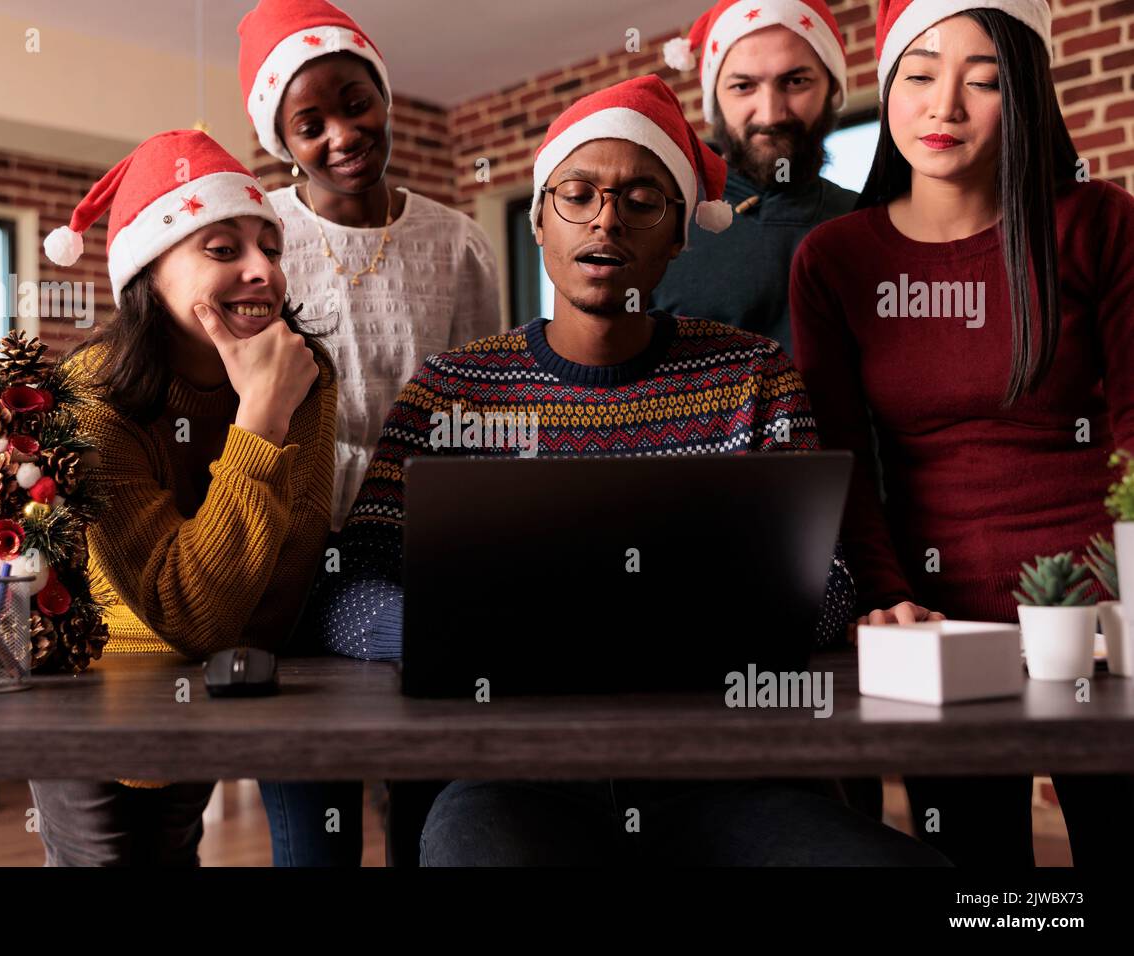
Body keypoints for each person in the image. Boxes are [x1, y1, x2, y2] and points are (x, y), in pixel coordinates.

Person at [312, 75, 948, 866]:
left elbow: (831, 590)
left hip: (731, 776)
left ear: (680, 236)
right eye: (577, 194)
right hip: (512, 779)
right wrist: (438, 634)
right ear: (541, 219)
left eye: (643, 200)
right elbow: (347, 582)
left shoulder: (752, 374)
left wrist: (653, 627)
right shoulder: (451, 389)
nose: (607, 219)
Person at [790, 0, 1134, 866]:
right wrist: (883, 594)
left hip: (1103, 616)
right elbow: (841, 454)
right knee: (978, 874)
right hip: (937, 624)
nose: (943, 106)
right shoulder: (834, 259)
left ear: (1024, 98)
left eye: (982, 81)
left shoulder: (1098, 222)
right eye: (920, 74)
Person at [236, 0, 501, 867]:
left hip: (429, 553)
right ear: (282, 140)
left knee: (432, 821)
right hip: (290, 559)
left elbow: (481, 399)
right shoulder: (262, 240)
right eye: (310, 124)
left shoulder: (457, 242)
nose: (343, 134)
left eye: (358, 103)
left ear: (385, 98)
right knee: (313, 838)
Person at [27, 129, 336, 865]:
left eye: (271, 246)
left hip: (209, 678)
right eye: (223, 250)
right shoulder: (93, 401)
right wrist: (259, 418)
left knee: (168, 853)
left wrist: (220, 650)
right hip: (86, 673)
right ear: (148, 275)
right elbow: (187, 608)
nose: (263, 271)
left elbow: (290, 567)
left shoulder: (302, 373)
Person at [654, 0, 856, 352]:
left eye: (796, 81)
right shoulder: (659, 232)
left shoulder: (876, 221)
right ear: (713, 102)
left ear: (833, 88)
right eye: (743, 86)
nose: (771, 114)